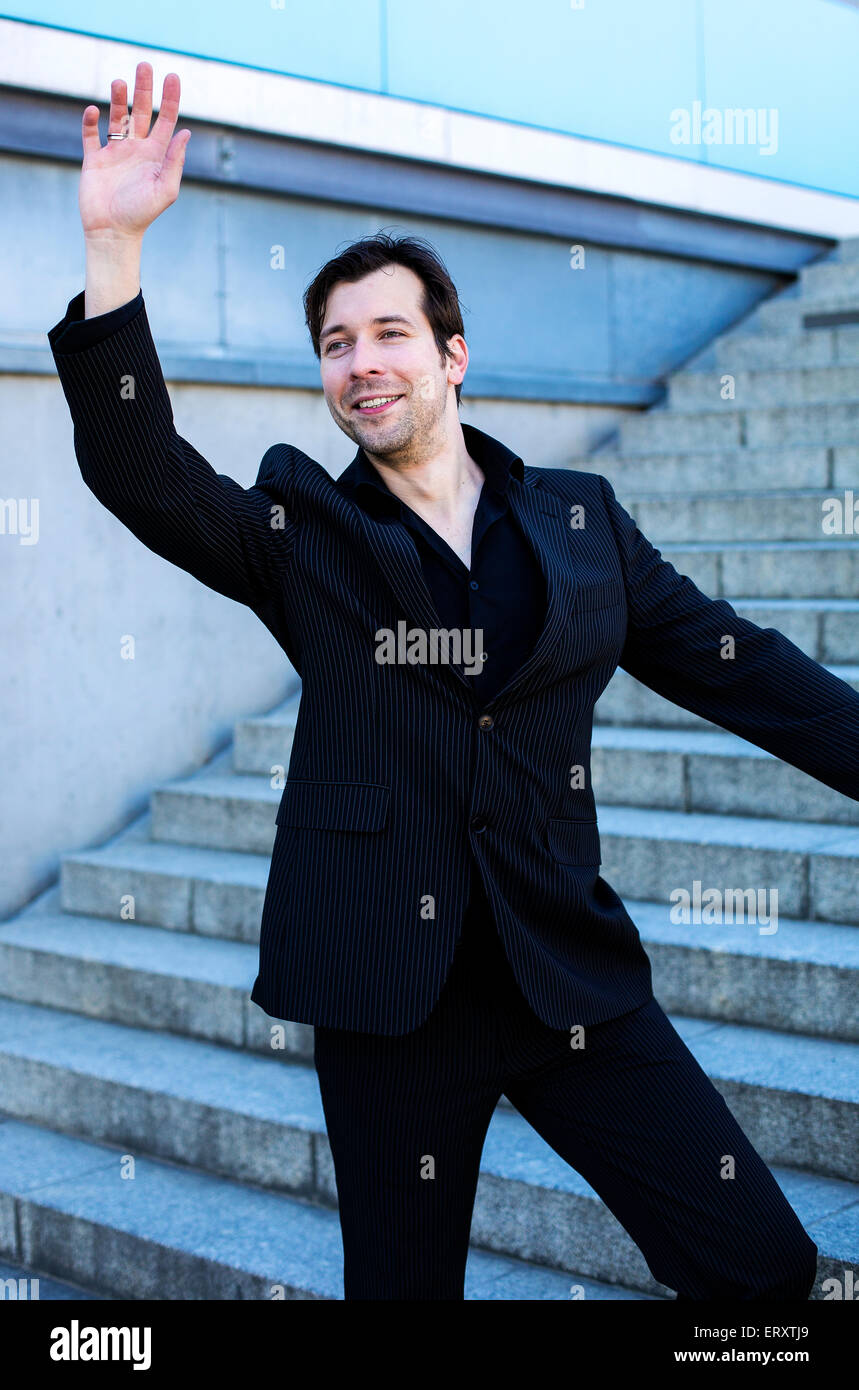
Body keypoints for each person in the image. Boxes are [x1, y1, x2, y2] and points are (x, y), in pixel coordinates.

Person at [48, 63, 855, 1301]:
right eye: (333, 343)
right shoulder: (300, 531)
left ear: (453, 354)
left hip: (566, 978)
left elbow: (737, 664)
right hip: (390, 1007)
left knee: (760, 1268)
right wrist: (114, 245)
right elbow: (144, 472)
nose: (360, 362)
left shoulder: (580, 524)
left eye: (387, 333)